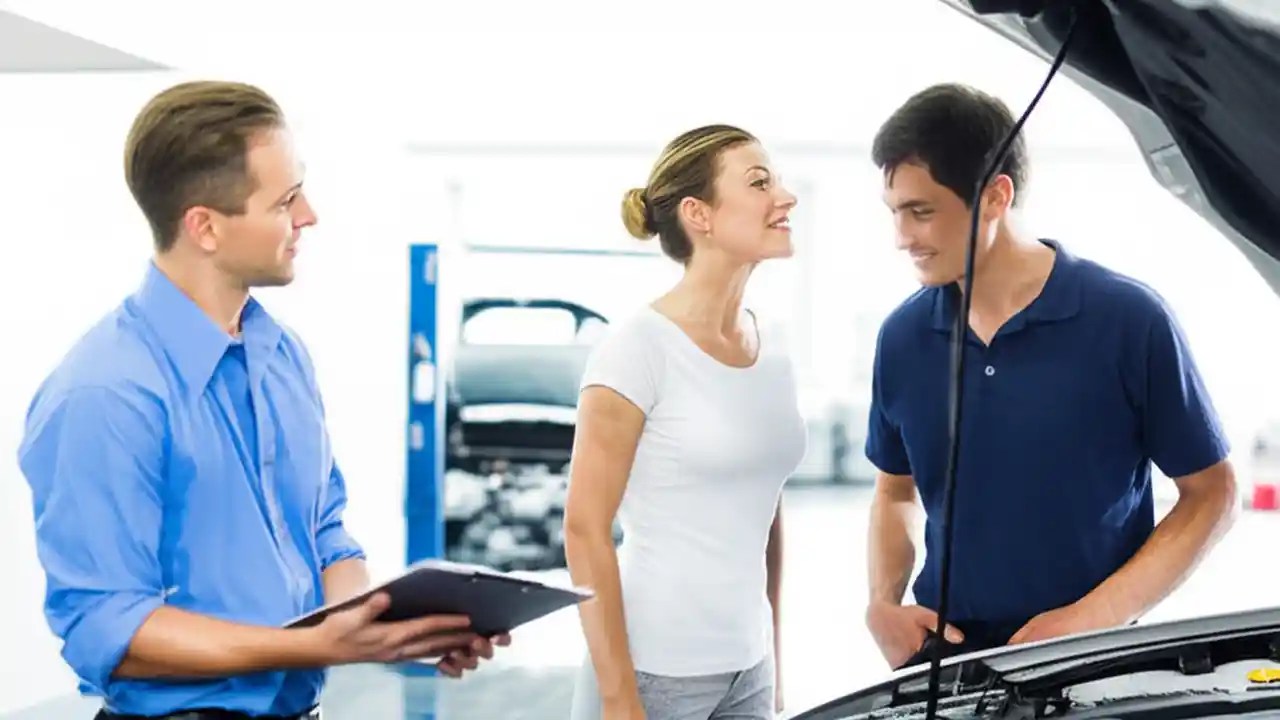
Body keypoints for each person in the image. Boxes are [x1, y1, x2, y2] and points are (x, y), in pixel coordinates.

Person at [17, 80, 507, 720]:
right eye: (285, 201)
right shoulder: (103, 394)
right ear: (206, 228)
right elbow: (106, 626)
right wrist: (309, 646)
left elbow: (327, 537)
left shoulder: (282, 356)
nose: (309, 216)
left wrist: (391, 629)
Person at [862, 82, 1240, 670]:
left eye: (921, 211)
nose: (901, 238)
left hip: (1095, 658)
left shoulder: (1128, 319)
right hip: (946, 662)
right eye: (894, 213)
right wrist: (881, 603)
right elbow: (895, 491)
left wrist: (1091, 619)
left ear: (994, 197)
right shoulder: (902, 338)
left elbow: (1213, 494)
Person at [564, 125, 806, 720]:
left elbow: (764, 509)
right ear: (699, 214)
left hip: (749, 670)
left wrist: (773, 661)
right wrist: (621, 700)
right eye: (759, 183)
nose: (786, 196)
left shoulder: (772, 348)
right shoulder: (636, 350)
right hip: (653, 671)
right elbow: (584, 530)